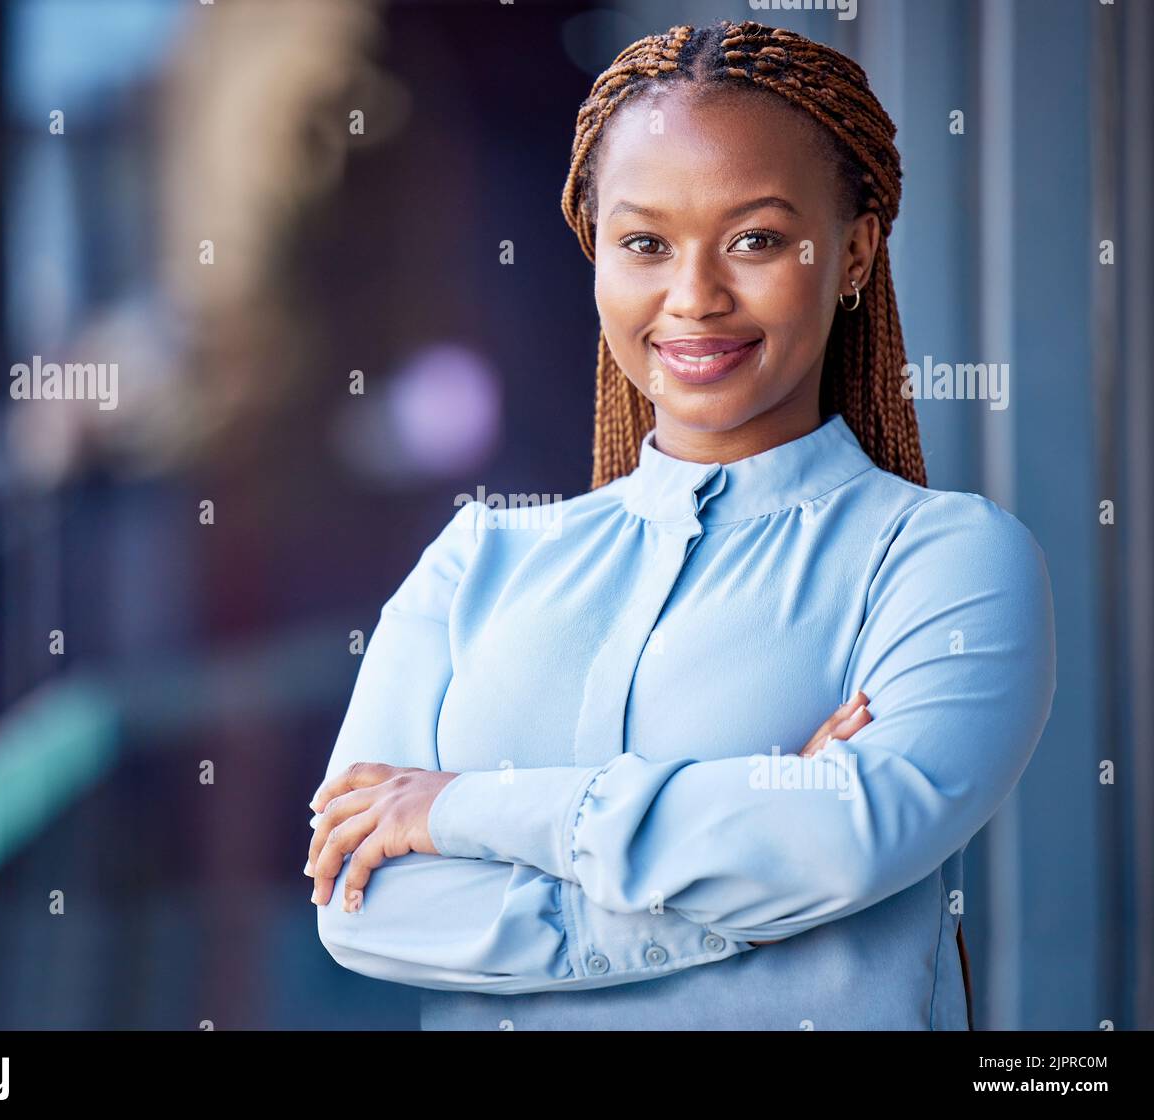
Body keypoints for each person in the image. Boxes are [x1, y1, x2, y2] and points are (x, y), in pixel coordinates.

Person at [306, 18, 1055, 1030]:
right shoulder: (473, 563)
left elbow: (847, 841)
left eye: (753, 237)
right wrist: (752, 859)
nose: (693, 296)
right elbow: (363, 906)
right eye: (645, 243)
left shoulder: (945, 562)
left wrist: (453, 809)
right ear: (597, 253)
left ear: (852, 253)